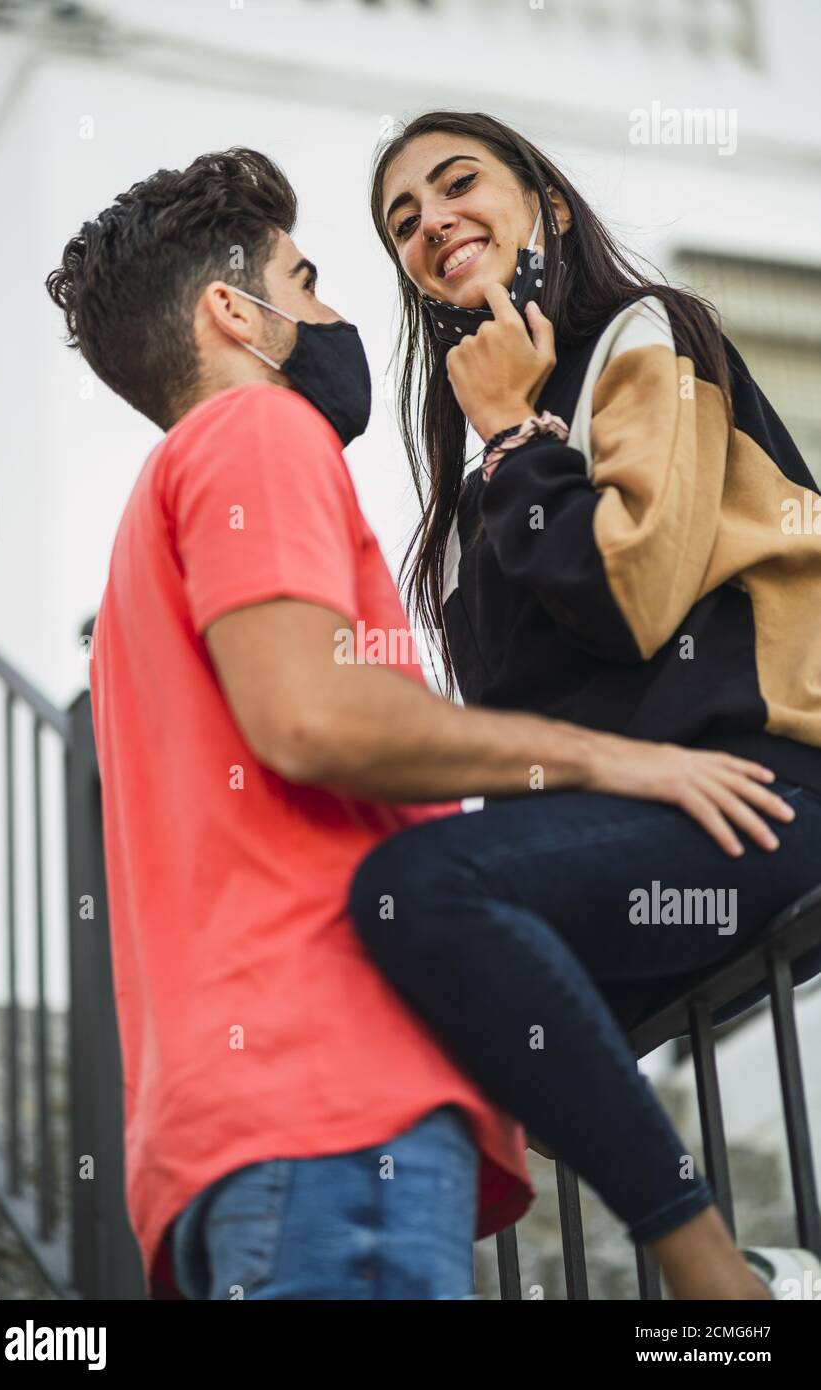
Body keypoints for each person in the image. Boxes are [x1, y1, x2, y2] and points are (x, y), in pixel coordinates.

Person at [45, 147, 795, 1301]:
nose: (336, 313)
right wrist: (614, 761)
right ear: (233, 313)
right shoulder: (255, 438)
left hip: (228, 1144)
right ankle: (722, 1281)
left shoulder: (155, 524)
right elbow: (313, 717)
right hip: (329, 1117)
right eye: (307, 283)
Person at [348, 111, 821, 1299]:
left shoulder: (642, 333)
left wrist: (513, 435)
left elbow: (631, 600)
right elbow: (524, 723)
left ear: (546, 206)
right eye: (402, 221)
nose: (430, 224)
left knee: (415, 891)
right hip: (650, 823)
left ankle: (729, 1283)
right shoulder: (474, 485)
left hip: (765, 791)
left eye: (457, 185)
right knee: (390, 1042)